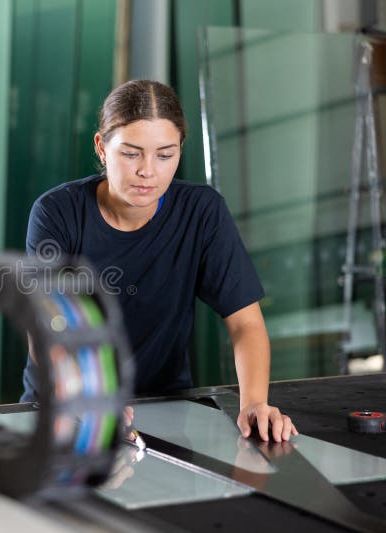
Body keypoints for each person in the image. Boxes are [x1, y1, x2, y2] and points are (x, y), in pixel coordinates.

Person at [21, 79, 297, 443]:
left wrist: (254, 404)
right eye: (131, 153)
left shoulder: (202, 212)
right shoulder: (57, 213)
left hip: (168, 410)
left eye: (165, 155)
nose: (148, 171)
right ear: (102, 147)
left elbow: (245, 322)